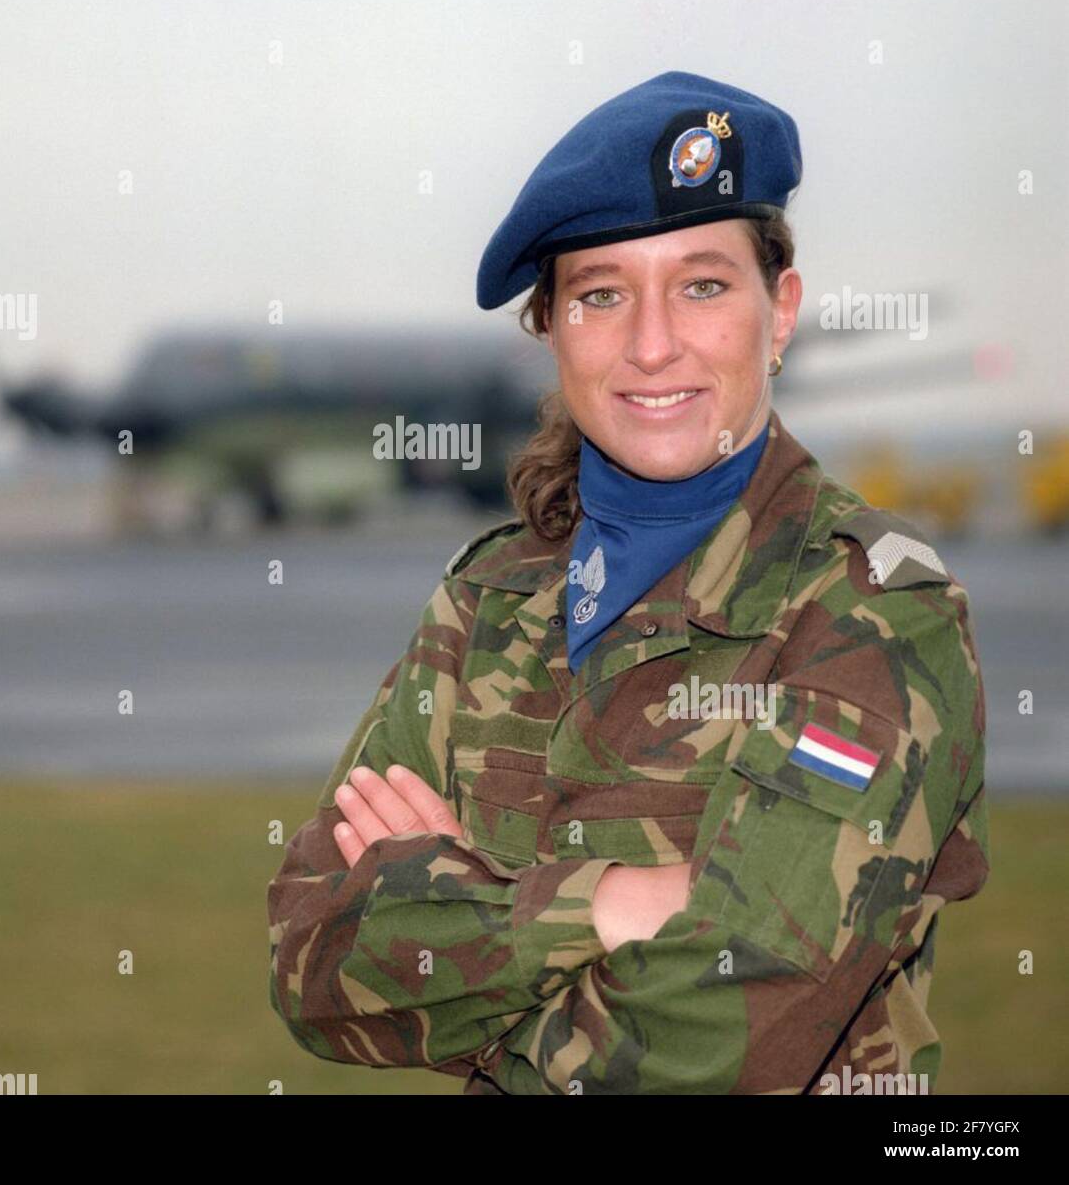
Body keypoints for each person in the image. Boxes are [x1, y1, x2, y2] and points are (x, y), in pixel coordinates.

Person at [265, 71, 989, 1094]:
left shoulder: (871, 612)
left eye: (702, 285)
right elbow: (313, 964)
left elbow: (731, 1024)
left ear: (779, 311)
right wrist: (624, 902)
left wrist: (465, 918)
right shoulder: (490, 600)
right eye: (602, 293)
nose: (652, 344)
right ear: (551, 327)